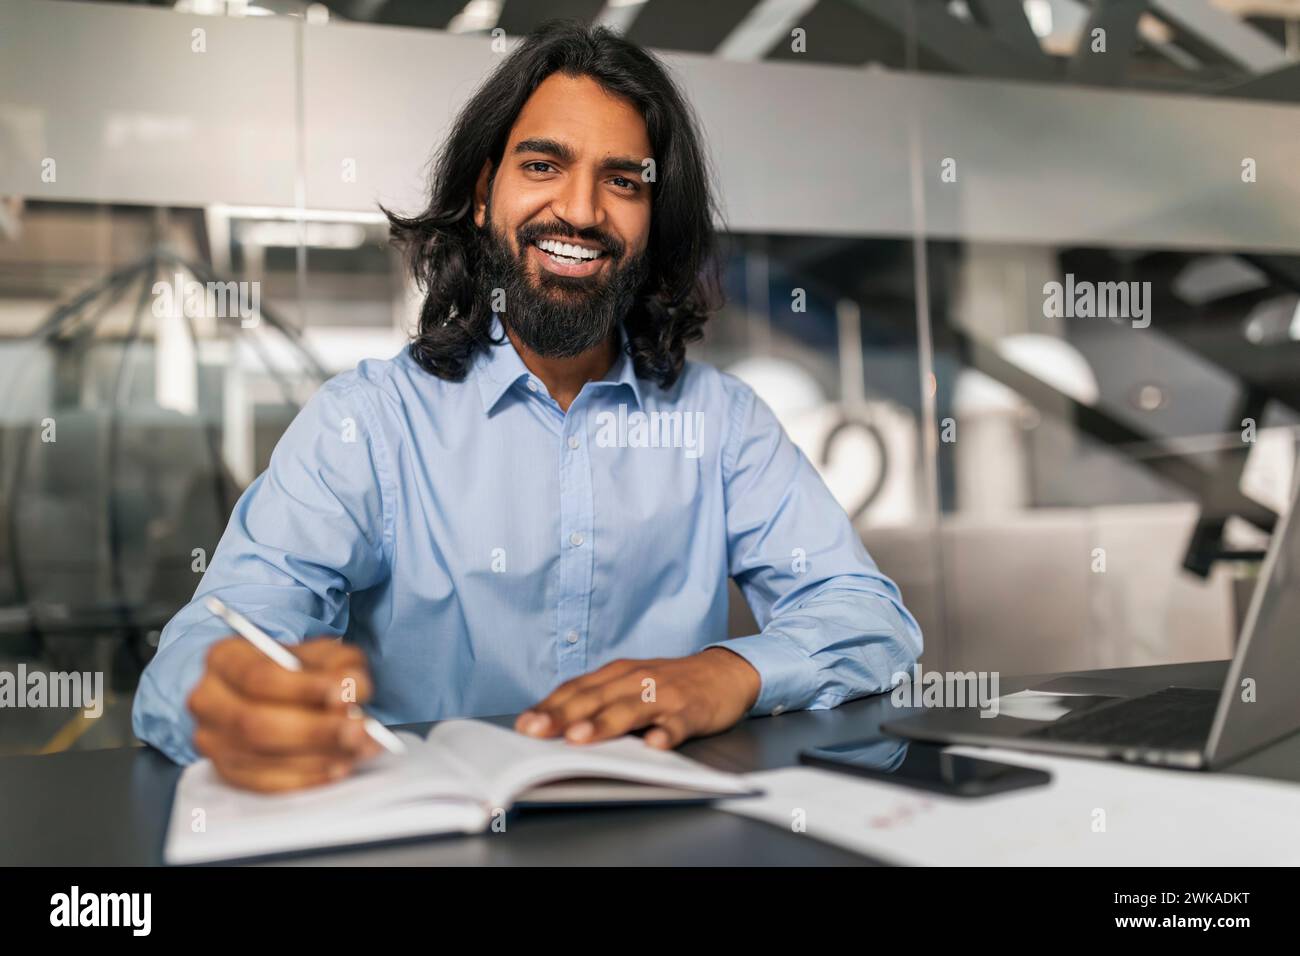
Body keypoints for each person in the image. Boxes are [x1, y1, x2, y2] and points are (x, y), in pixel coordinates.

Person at [132, 19, 922, 791]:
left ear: (655, 225)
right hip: (431, 839)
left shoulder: (723, 424)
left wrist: (730, 672)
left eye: (622, 181)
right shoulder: (366, 423)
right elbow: (217, 636)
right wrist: (225, 693)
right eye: (543, 165)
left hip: (664, 839)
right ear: (483, 195)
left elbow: (868, 619)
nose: (580, 212)